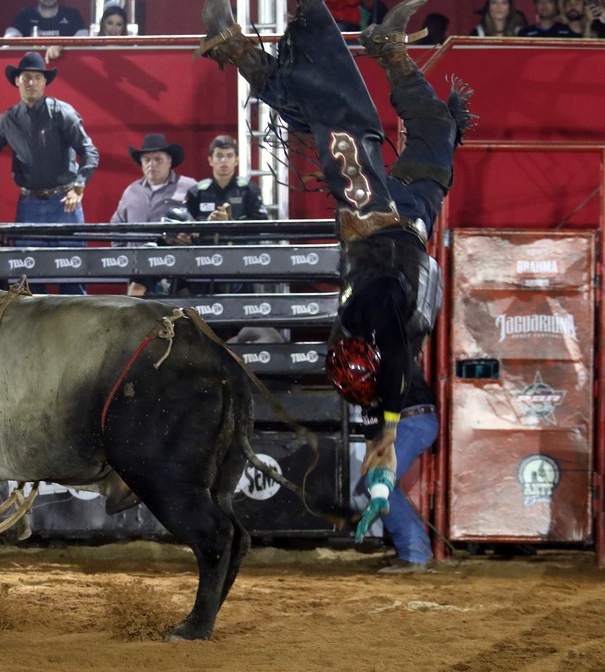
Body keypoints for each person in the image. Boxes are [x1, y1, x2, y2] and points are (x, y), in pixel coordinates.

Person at [197, 0, 473, 539]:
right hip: (412, 215)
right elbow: (387, 371)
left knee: (343, 119)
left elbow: (390, 364)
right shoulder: (376, 332)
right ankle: (388, 50)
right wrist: (382, 447)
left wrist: (386, 434)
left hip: (373, 220)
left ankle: (235, 48)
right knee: (436, 130)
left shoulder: (374, 310)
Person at [0, 51, 99, 295]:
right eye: (26, 77)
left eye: (36, 77)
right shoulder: (7, 120)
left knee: (73, 273)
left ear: (44, 82)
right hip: (30, 203)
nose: (31, 82)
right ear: (17, 81)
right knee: (28, 276)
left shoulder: (61, 113)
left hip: (64, 203)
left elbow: (90, 151)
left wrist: (79, 185)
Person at [110, 133, 197, 296]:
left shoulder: (188, 186)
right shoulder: (131, 191)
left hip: (179, 268)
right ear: (141, 163)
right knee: (137, 308)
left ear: (169, 161)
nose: (152, 165)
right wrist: (124, 261)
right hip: (140, 268)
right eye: (147, 160)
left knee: (185, 309)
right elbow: (116, 228)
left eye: (158, 159)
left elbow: (199, 225)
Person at [374, 362, 438, 573]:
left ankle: (415, 554)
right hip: (412, 418)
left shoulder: (381, 347)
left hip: (411, 419)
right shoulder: (383, 345)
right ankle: (416, 551)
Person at [185, 135, 268, 236]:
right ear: (210, 160)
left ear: (236, 160)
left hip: (241, 248)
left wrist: (230, 222)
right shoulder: (196, 191)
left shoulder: (249, 189)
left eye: (229, 156)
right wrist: (208, 222)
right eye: (219, 156)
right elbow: (186, 226)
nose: (224, 160)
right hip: (206, 248)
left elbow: (262, 225)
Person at [5, 0, 88, 63]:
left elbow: (84, 40)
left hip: (67, 67)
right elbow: (8, 39)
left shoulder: (72, 14)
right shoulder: (25, 14)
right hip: (32, 68)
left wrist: (62, 45)